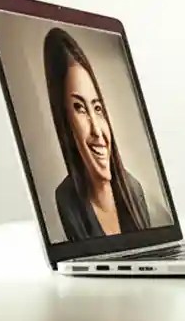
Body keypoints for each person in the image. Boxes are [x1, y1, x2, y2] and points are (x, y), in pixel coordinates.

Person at [44, 27, 152, 241]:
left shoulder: (133, 189)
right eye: (79, 108)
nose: (96, 130)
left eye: (98, 108)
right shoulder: (66, 199)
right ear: (65, 122)